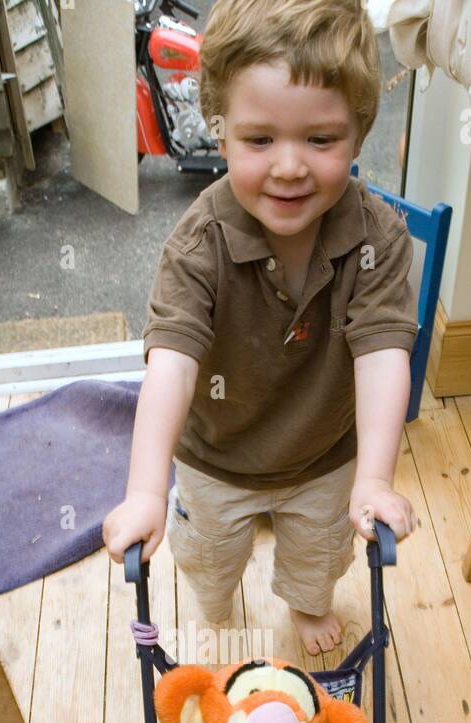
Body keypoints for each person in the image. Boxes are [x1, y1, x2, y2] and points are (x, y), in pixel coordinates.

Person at [103, 0, 418, 655]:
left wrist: (375, 479)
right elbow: (172, 363)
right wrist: (143, 490)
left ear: (358, 135)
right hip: (217, 459)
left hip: (323, 455)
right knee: (209, 560)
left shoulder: (378, 237)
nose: (289, 166)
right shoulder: (199, 245)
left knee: (320, 553)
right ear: (220, 136)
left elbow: (383, 350)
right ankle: (217, 610)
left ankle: (305, 607)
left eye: (320, 139)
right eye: (260, 139)